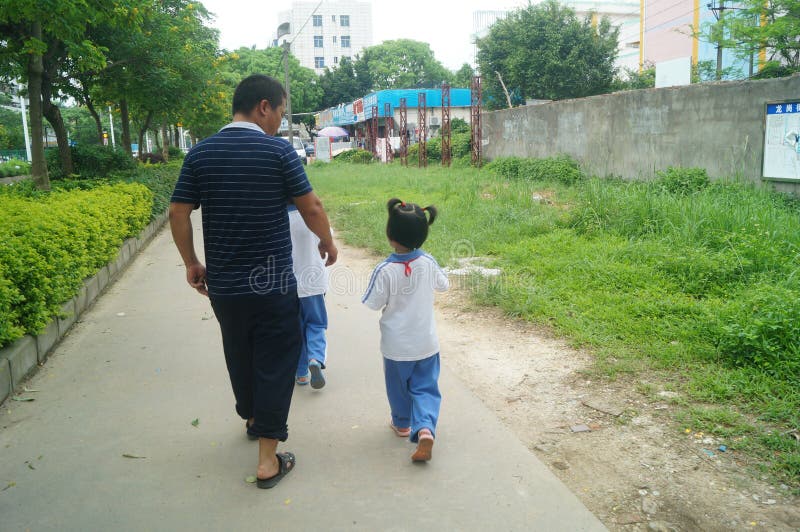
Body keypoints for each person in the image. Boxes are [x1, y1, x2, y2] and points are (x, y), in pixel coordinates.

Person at [169, 74, 337, 489]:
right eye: (280, 111)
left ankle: (251, 417)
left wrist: (191, 262)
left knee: (239, 352)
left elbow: (178, 212)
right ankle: (267, 461)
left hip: (225, 287)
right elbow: (312, 207)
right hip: (273, 284)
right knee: (276, 361)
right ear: (264, 107)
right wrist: (327, 241)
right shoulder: (278, 151)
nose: (280, 121)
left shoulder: (200, 153)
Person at [361, 198, 449, 462]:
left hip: (396, 347)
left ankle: (401, 424)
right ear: (424, 234)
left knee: (398, 388)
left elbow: (373, 303)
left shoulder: (385, 269)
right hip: (426, 343)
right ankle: (425, 428)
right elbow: (444, 285)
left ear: (390, 236)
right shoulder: (428, 262)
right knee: (425, 388)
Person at [288, 200, 329, 389]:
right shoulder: (313, 216)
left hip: (288, 285)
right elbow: (327, 239)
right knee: (316, 323)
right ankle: (315, 358)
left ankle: (301, 373)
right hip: (314, 283)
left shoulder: (277, 218)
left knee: (295, 328)